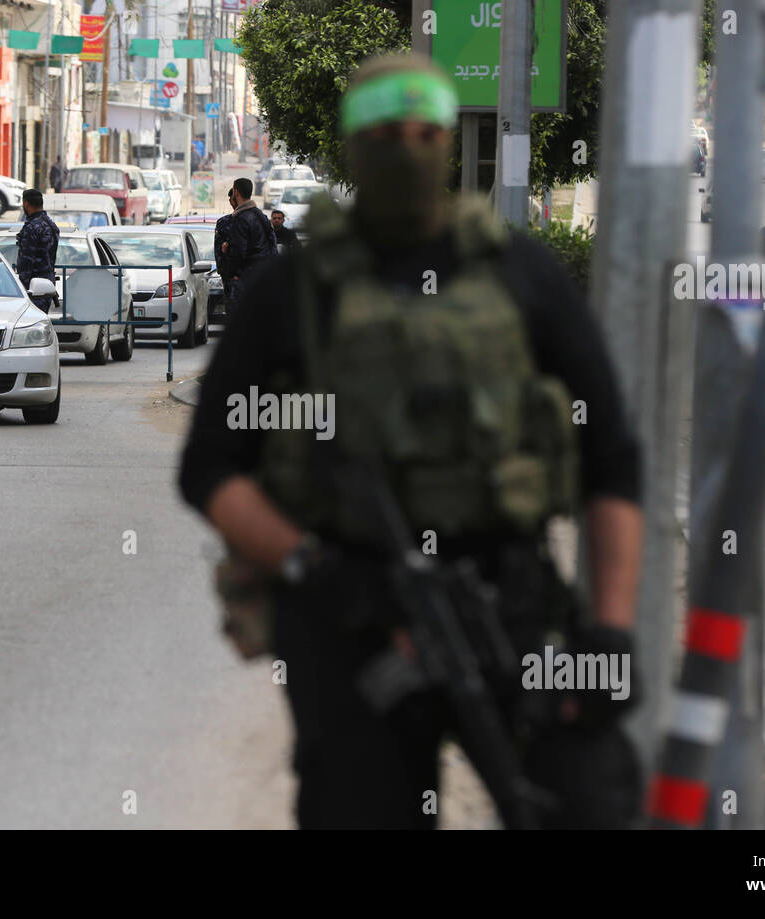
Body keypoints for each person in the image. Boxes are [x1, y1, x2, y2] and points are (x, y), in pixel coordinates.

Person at [178, 53, 645, 830]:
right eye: (387, 132)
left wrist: (611, 631)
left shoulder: (518, 275)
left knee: (590, 802)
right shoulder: (294, 290)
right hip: (350, 619)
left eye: (426, 131)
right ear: (354, 147)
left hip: (511, 605)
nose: (408, 147)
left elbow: (613, 459)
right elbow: (209, 468)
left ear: (448, 140)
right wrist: (313, 565)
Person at [224, 178, 277, 290]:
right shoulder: (260, 215)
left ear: (236, 192)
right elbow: (272, 243)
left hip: (247, 278)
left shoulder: (241, 218)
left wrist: (231, 274)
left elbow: (239, 251)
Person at [16, 189, 60, 314]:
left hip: (33, 286)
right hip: (47, 283)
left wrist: (21, 288)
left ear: (26, 204)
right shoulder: (51, 224)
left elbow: (27, 261)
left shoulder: (32, 227)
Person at [214, 205, 238, 319]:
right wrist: (220, 266)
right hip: (229, 271)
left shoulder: (257, 220)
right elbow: (218, 247)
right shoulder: (224, 222)